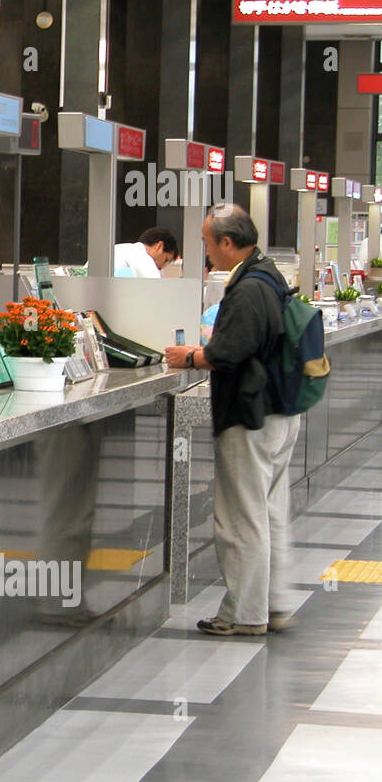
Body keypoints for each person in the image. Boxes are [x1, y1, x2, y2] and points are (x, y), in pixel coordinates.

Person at [164, 204, 298, 636]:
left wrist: (191, 356)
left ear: (227, 242)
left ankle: (244, 614)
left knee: (241, 518)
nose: (205, 253)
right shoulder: (268, 275)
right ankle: (273, 605)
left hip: (250, 415)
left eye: (207, 243)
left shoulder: (247, 288)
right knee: (268, 512)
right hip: (278, 411)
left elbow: (230, 352)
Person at [113, 226, 180, 277]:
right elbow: (157, 289)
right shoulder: (142, 256)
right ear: (159, 246)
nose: (163, 266)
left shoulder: (118, 249)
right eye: (166, 260)